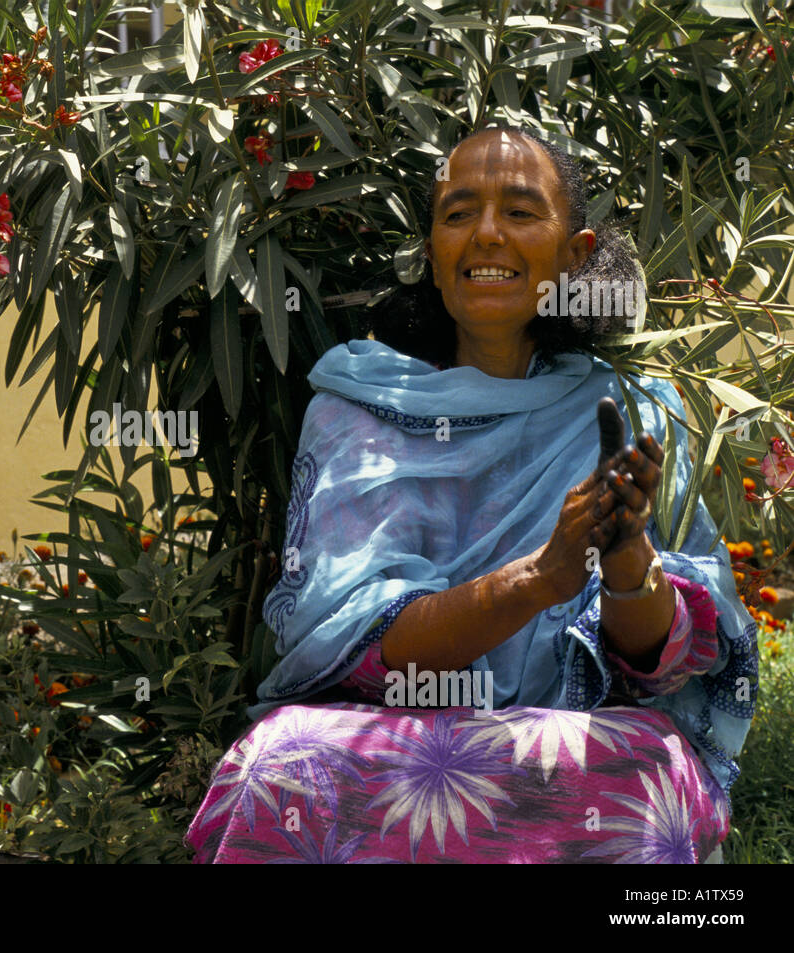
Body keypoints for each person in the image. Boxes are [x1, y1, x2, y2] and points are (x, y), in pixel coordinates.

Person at [186, 126, 757, 864]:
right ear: (432, 249)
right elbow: (351, 645)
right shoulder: (357, 406)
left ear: (575, 253)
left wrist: (624, 553)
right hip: (393, 744)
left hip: (574, 749)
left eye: (520, 212)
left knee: (645, 770)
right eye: (458, 214)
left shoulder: (637, 412)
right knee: (282, 763)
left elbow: (665, 666)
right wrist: (539, 580)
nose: (487, 235)